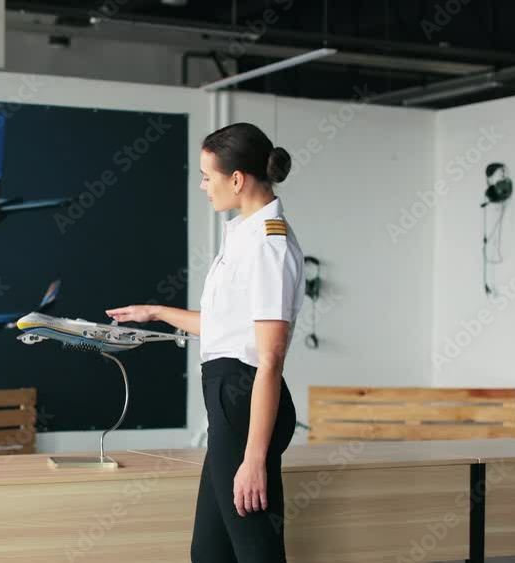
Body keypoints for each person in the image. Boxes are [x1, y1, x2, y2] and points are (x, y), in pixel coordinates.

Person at [106, 122, 304, 562]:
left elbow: (269, 359)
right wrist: (154, 313)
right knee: (210, 554)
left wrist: (254, 460)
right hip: (228, 400)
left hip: (244, 400)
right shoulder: (244, 235)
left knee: (257, 551)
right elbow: (223, 326)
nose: (202, 185)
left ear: (237, 179)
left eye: (207, 176)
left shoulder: (268, 247)